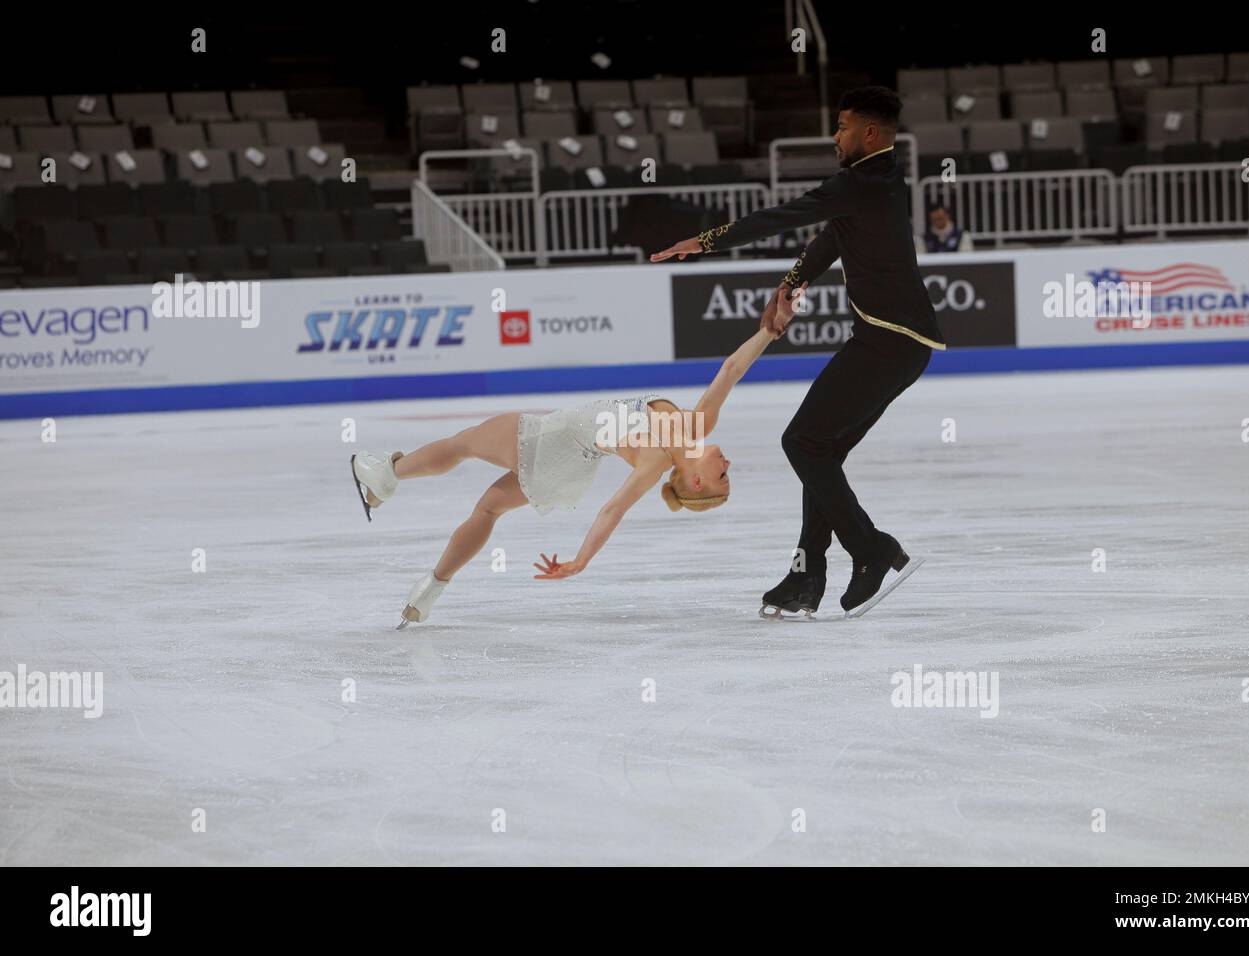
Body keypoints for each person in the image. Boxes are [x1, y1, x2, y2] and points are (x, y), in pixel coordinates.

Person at [651, 87, 946, 618]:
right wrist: (790, 283)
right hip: (897, 343)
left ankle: (870, 549)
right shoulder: (877, 182)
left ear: (870, 133)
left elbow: (781, 216)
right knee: (820, 451)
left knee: (802, 443)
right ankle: (807, 573)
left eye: (843, 127)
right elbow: (833, 238)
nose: (836, 137)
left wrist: (705, 241)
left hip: (888, 341)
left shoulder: (862, 180)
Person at [350, 302, 795, 628]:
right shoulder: (696, 424)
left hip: (556, 438)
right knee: (487, 510)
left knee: (460, 445)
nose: (729, 462)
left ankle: (387, 475)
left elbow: (613, 510)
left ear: (695, 480)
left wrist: (582, 560)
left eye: (723, 475)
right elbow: (732, 369)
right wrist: (770, 332)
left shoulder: (657, 459)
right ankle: (429, 590)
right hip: (571, 465)